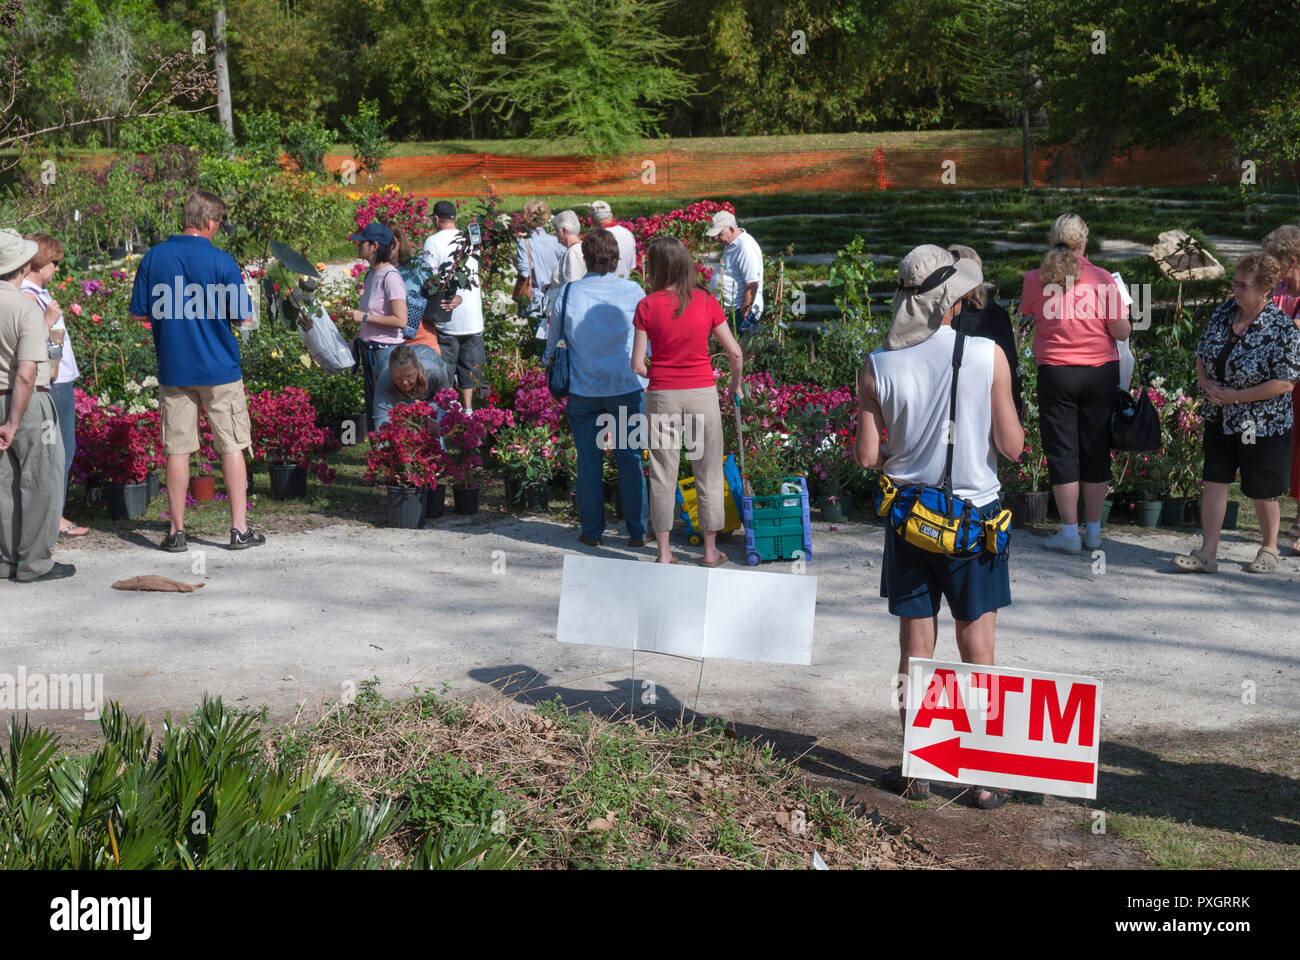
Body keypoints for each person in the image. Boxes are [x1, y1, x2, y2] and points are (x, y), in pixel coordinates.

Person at [854, 244, 1023, 808]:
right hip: (976, 522)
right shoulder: (987, 354)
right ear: (951, 302)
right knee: (979, 648)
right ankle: (983, 776)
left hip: (911, 523)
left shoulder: (877, 364)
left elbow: (868, 456)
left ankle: (916, 768)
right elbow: (1012, 446)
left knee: (915, 649)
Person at [127, 190, 263, 552]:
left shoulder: (154, 257)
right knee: (231, 445)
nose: (218, 228)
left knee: (178, 449)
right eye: (219, 222)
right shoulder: (222, 261)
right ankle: (238, 530)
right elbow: (244, 317)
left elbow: (138, 314)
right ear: (208, 222)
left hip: (175, 368)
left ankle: (176, 533)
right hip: (219, 368)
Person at [1172, 252, 1300, 574]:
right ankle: (1207, 553)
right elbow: (1203, 352)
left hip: (1260, 422)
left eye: (1243, 285)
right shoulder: (1224, 312)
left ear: (1265, 291)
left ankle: (1269, 549)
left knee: (1262, 489)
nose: (1235, 290)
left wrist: (1236, 397)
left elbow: (1285, 383)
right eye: (1235, 282)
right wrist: (1206, 383)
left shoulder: (1282, 328)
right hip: (1220, 416)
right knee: (1214, 480)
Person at [1019, 213, 1130, 553]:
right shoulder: (1101, 279)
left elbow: (1030, 317)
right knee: (1096, 449)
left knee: (1062, 451)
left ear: (1051, 240)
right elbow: (1121, 331)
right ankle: (1094, 532)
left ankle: (1068, 532)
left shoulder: (1034, 279)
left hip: (1056, 371)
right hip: (1099, 371)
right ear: (1084, 242)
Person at [632, 237, 744, 565]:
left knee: (662, 471)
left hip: (663, 394)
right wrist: (734, 386)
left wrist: (662, 369)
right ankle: (710, 551)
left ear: (655, 268)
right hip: (701, 394)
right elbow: (735, 353)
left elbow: (637, 365)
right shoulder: (706, 301)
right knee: (707, 471)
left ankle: (664, 553)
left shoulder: (647, 306)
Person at [543, 228, 649, 548]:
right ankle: (637, 531)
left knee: (589, 461)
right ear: (616, 258)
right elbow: (649, 341)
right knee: (630, 457)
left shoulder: (568, 293)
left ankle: (592, 531)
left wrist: (548, 361)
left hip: (583, 391)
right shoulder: (634, 291)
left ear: (585, 258)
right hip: (626, 387)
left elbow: (552, 344)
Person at [0, 229, 73, 581]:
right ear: (21, 264)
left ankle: (7, 558)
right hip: (27, 403)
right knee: (42, 478)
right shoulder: (25, 307)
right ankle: (35, 562)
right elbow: (27, 372)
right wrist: (13, 421)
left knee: (5, 484)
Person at [20, 233, 87, 536]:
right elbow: (37, 342)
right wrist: (48, 322)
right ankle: (52, 516)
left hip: (59, 379)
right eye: (54, 263)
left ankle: (52, 513)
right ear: (38, 262)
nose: (58, 269)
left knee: (60, 448)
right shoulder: (29, 296)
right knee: (58, 448)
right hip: (52, 382)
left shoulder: (39, 293)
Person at [948, 244, 1025, 420]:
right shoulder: (996, 311)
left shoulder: (946, 313)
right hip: (990, 396)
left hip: (955, 400)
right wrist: (1016, 400)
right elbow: (1010, 359)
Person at [423, 200, 485, 411]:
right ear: (455, 218)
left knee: (446, 369)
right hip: (473, 317)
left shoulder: (432, 242)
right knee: (471, 370)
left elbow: (430, 278)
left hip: (447, 317)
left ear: (436, 219)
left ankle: (449, 411)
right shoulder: (470, 241)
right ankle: (468, 409)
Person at [347, 221, 408, 431]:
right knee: (375, 408)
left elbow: (401, 320)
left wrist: (364, 318)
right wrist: (356, 338)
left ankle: (390, 453)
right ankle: (381, 457)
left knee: (386, 410)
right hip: (371, 351)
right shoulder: (372, 275)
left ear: (374, 246)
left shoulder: (391, 277)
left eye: (361, 242)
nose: (358, 245)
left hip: (386, 353)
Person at [1261, 224, 1300, 551]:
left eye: (1276, 262)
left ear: (1291, 259)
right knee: (1289, 448)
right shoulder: (1279, 291)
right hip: (1283, 383)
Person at [706, 210, 764, 335]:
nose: (716, 238)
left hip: (742, 313)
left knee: (741, 351)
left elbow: (752, 283)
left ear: (731, 229)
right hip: (731, 311)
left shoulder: (745, 246)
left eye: (719, 233)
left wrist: (742, 314)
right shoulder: (731, 243)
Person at [372, 343, 451, 428]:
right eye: (399, 378)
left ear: (417, 369)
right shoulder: (384, 380)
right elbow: (381, 423)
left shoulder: (435, 373)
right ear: (391, 373)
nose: (405, 382)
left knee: (439, 422)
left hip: (429, 356)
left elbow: (444, 405)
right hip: (384, 357)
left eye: (409, 376)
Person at [514, 198, 564, 321]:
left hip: (534, 298)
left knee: (536, 336)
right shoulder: (556, 241)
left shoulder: (524, 242)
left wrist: (515, 263)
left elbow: (525, 271)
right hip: (554, 295)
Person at [590, 200, 636, 278]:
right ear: (611, 215)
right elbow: (632, 267)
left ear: (593, 221)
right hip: (625, 284)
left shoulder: (596, 238)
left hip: (604, 286)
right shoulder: (628, 234)